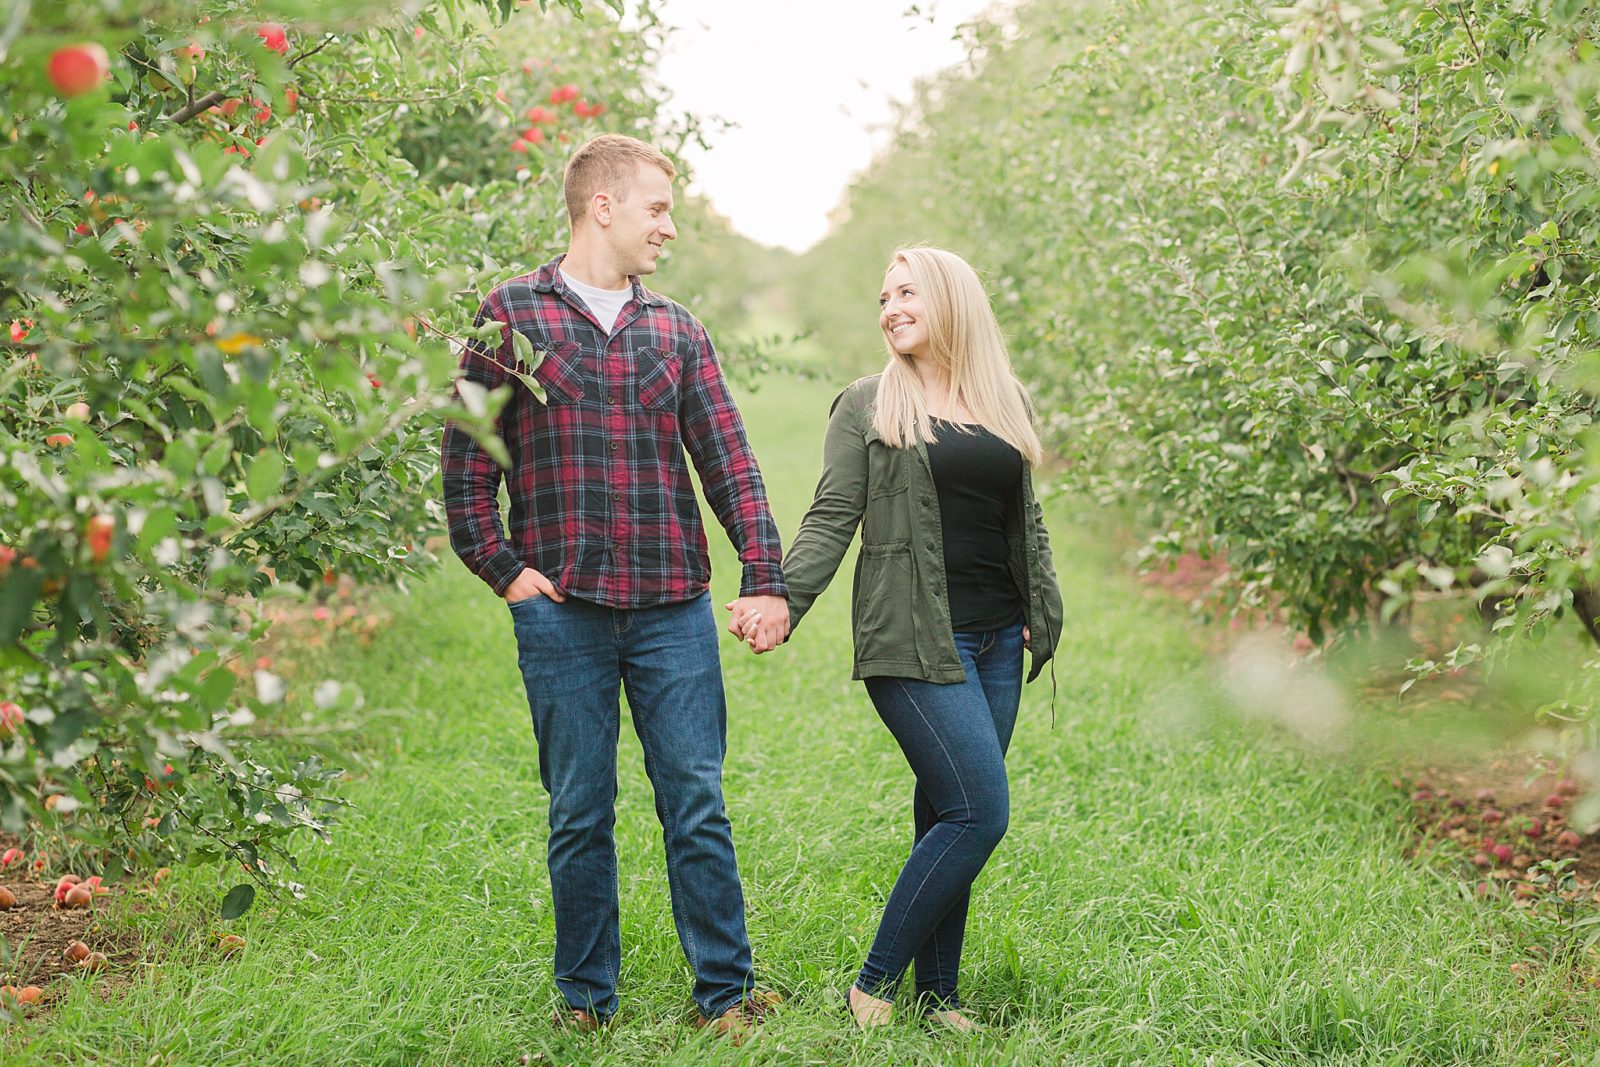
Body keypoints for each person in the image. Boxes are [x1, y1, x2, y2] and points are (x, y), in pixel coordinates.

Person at [441, 133, 790, 1042]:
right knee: (579, 812)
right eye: (657, 209)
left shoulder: (677, 330)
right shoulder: (509, 317)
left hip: (673, 609)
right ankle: (587, 1000)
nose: (668, 227)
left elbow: (730, 462)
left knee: (697, 804)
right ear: (604, 206)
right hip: (563, 614)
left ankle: (727, 994)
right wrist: (504, 570)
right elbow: (465, 467)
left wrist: (765, 576)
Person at [737, 245, 1062, 1032]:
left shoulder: (1005, 397)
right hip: (911, 637)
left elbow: (1022, 519)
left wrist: (1038, 605)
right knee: (978, 813)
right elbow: (831, 515)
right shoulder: (869, 402)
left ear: (951, 299)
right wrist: (780, 598)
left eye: (907, 292)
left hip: (995, 640)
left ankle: (939, 997)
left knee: (945, 813)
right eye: (884, 298)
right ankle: (873, 985)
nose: (890, 309)